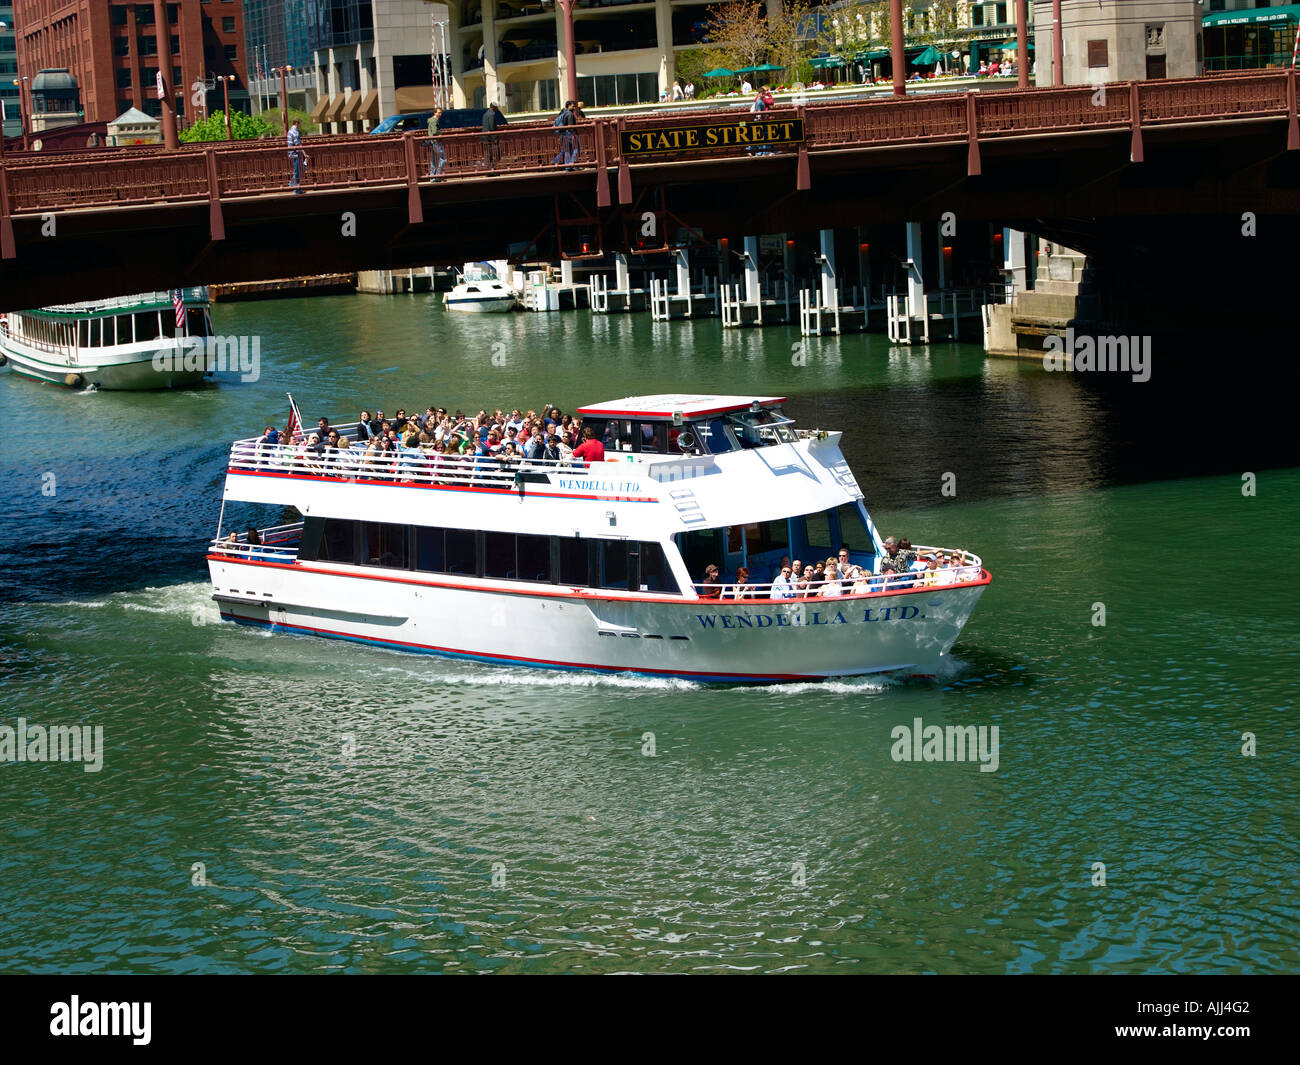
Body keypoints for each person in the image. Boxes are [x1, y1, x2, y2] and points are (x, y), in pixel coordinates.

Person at [552, 100, 578, 167]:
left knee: (565, 149)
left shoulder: (563, 113)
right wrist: (573, 135)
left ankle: (555, 161)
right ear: (568, 106)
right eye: (573, 106)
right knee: (576, 148)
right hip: (568, 134)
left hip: (563, 134)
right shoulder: (569, 114)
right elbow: (570, 127)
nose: (574, 107)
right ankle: (571, 164)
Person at [481, 103, 507, 168]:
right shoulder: (492, 114)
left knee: (488, 151)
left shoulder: (485, 114)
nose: (497, 109)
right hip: (490, 136)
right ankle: (493, 165)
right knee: (493, 151)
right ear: (493, 107)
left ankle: (489, 164)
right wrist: (495, 136)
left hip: (485, 135)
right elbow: (492, 127)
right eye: (496, 107)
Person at [287, 118, 308, 193]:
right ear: (296, 123)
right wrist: (304, 153)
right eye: (300, 124)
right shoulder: (295, 132)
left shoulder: (290, 131)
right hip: (296, 154)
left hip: (291, 153)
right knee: (298, 171)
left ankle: (292, 183)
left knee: (298, 170)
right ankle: (296, 189)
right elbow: (298, 144)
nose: (300, 125)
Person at [427, 107, 446, 178]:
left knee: (434, 160)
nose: (440, 114)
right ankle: (438, 174)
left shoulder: (432, 120)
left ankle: (433, 176)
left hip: (433, 141)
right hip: (436, 141)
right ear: (435, 113)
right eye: (439, 112)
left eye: (441, 112)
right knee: (443, 158)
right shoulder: (434, 120)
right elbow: (435, 132)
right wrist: (441, 132)